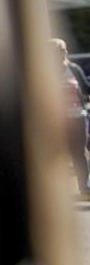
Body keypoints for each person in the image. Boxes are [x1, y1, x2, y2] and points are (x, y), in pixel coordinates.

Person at [53, 38, 89, 194]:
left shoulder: (73, 69)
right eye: (60, 50)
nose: (64, 53)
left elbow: (86, 89)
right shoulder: (45, 72)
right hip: (57, 121)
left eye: (64, 50)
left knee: (78, 154)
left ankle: (84, 188)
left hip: (78, 118)